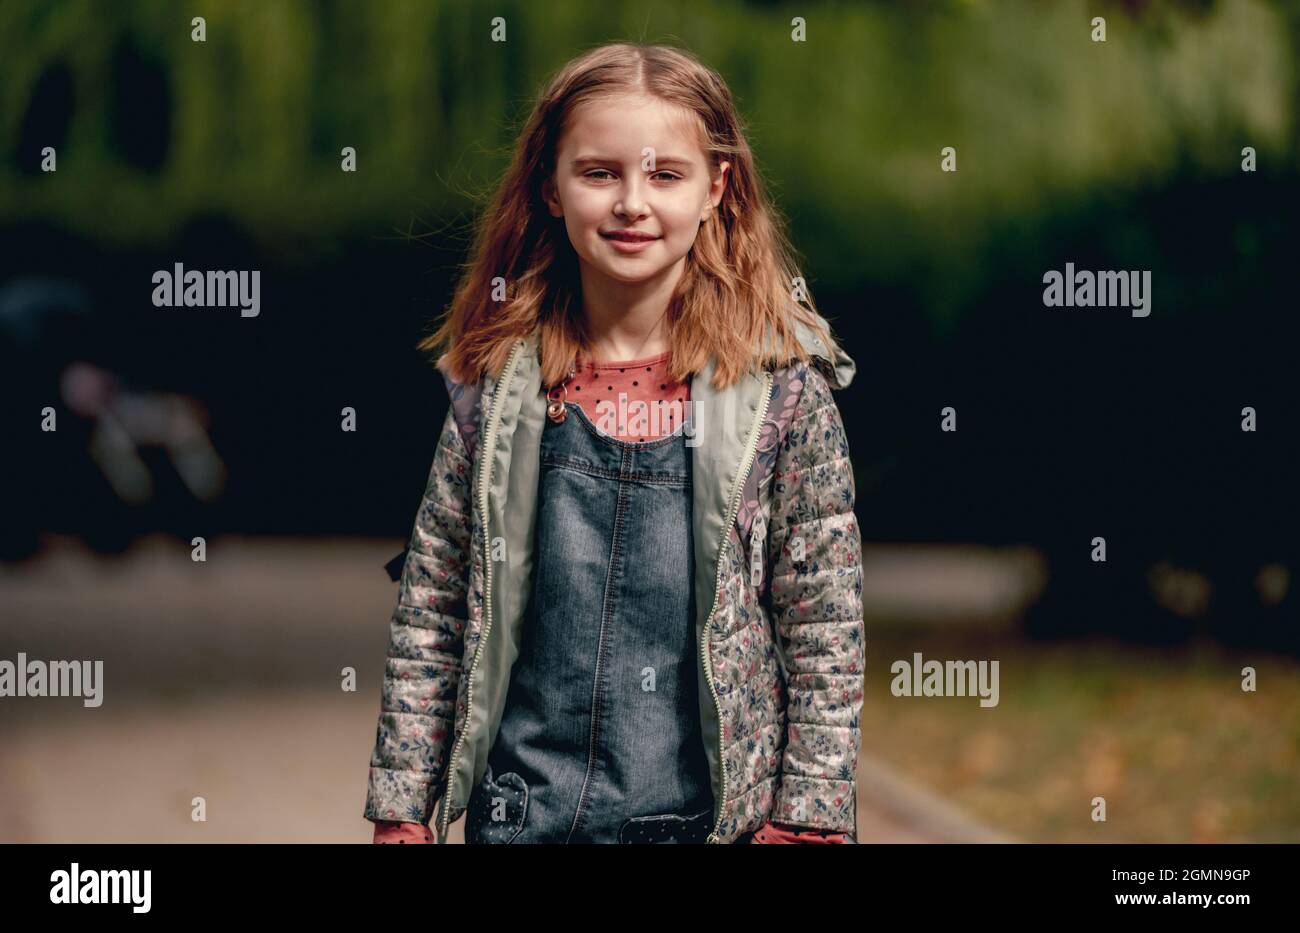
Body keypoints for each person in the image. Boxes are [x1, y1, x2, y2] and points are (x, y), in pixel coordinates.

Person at [363, 42, 863, 844]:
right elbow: (434, 602)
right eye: (600, 173)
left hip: (706, 822)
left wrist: (809, 810)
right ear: (551, 189)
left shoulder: (778, 390)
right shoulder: (499, 390)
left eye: (666, 174)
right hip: (523, 813)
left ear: (716, 189)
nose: (632, 201)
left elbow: (824, 617)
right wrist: (401, 801)